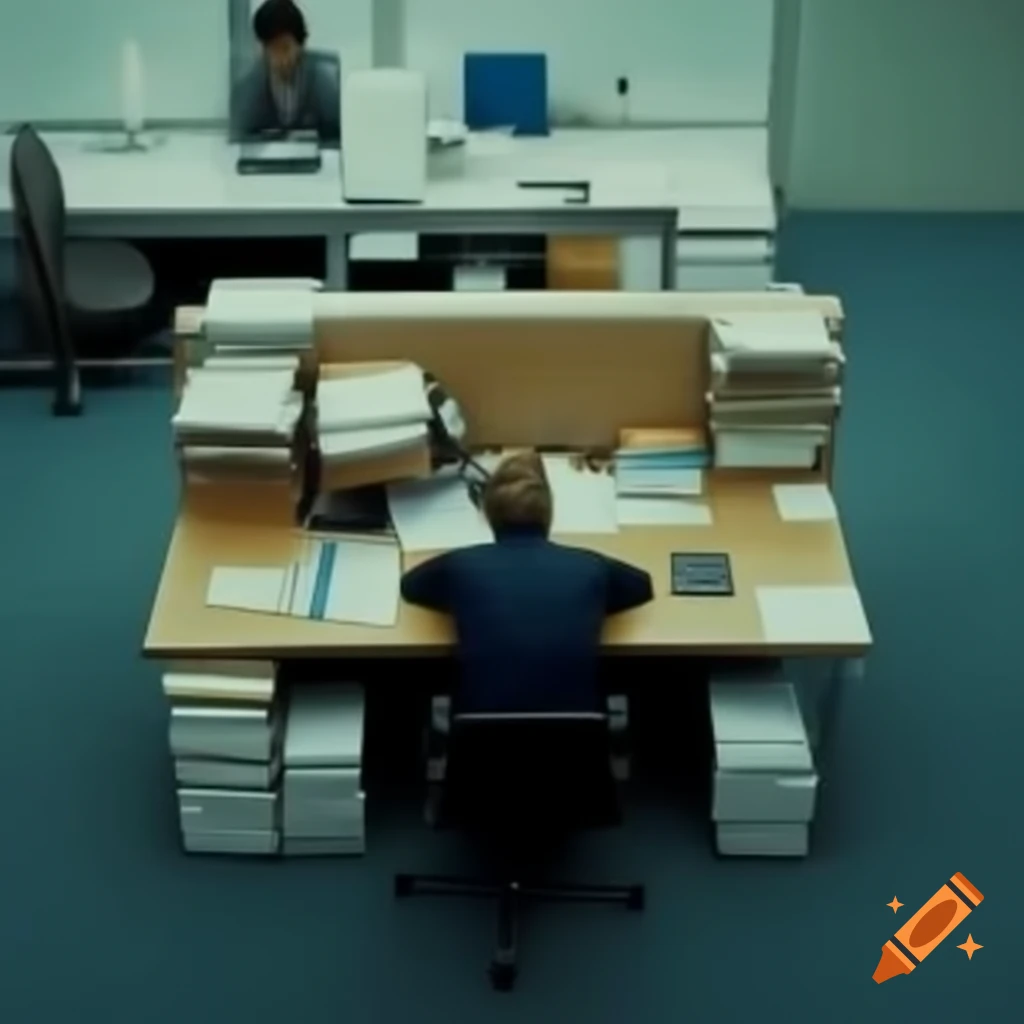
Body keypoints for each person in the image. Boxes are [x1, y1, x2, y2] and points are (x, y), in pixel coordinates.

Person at [401, 453, 654, 713]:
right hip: (577, 747)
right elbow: (642, 586)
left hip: (478, 747)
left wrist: (469, 601)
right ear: (549, 513)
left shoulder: (461, 566)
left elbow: (410, 586)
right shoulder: (590, 567)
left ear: (488, 514)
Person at [233, 0, 340, 142]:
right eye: (272, 49)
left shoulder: (323, 80)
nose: (279, 58)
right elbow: (239, 142)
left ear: (301, 45)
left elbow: (338, 136)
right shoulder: (248, 88)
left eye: (285, 48)